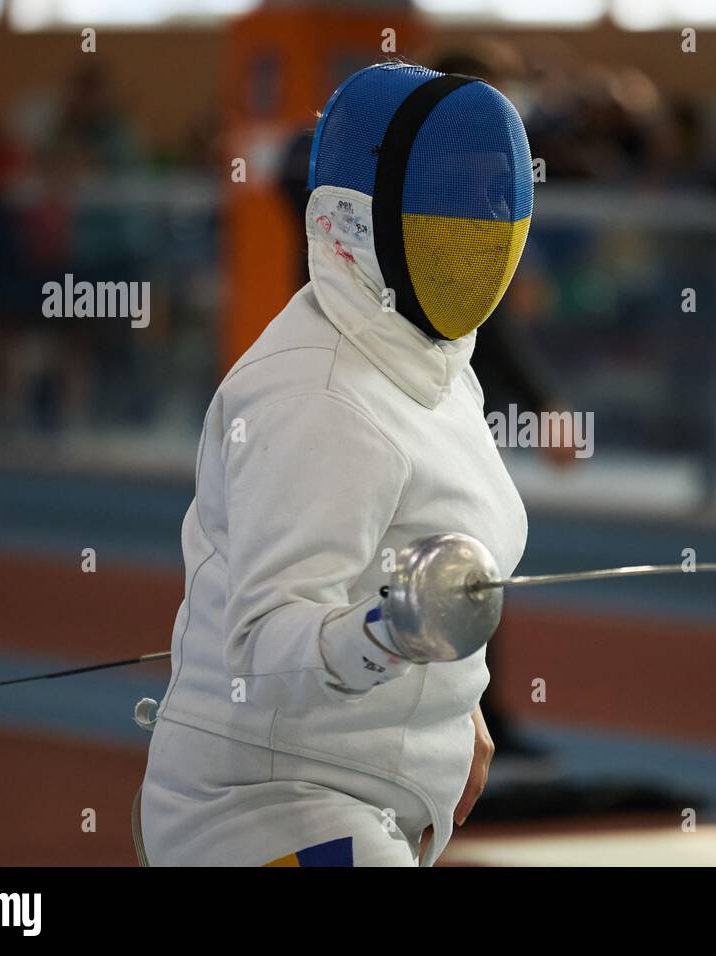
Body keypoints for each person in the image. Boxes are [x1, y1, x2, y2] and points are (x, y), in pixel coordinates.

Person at [140, 63, 533, 866]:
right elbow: (267, 652)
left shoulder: (432, 364)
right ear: (364, 216)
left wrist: (462, 708)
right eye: (460, 193)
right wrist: (401, 626)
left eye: (504, 192)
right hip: (260, 809)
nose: (491, 218)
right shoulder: (316, 398)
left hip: (365, 792)